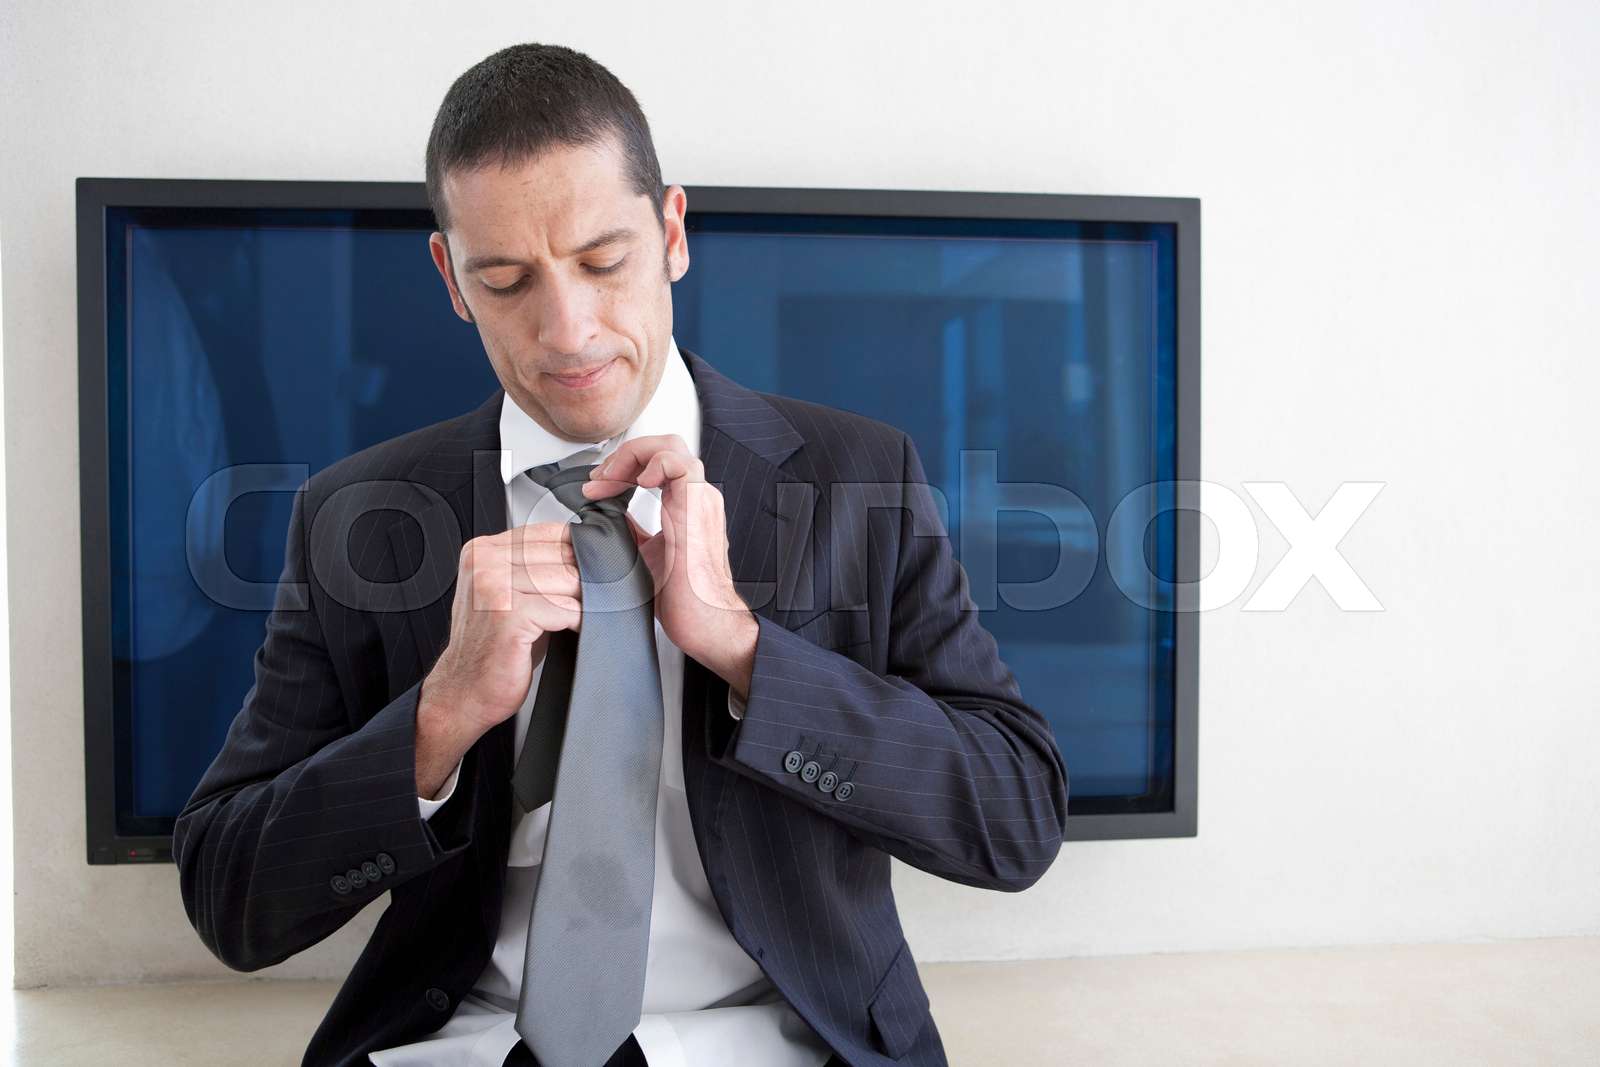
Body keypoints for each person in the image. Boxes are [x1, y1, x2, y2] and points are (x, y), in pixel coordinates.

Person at [173, 42, 1069, 1067]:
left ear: (673, 231)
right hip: (462, 1040)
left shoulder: (857, 472)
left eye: (604, 263)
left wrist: (745, 652)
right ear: (450, 279)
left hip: (785, 1039)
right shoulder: (356, 513)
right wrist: (439, 715)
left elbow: (1015, 817)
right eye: (506, 281)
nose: (568, 329)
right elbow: (227, 894)